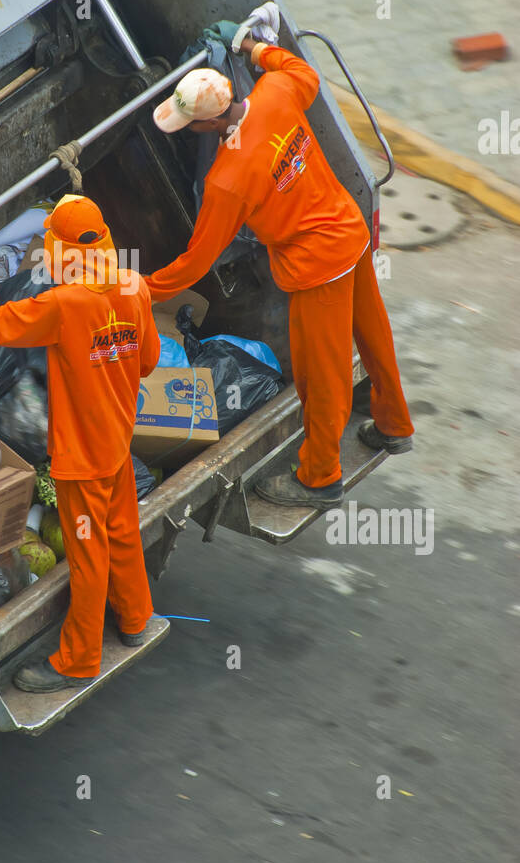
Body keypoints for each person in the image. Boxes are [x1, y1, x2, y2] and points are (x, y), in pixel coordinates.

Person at [145, 27, 414, 507]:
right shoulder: (274, 92)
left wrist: (142, 288)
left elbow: (196, 261)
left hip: (317, 269)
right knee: (373, 337)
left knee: (321, 374)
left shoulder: (227, 178)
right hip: (350, 235)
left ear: (207, 126)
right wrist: (252, 47)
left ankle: (319, 476)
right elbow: (301, 69)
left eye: (188, 124)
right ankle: (394, 424)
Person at [0, 196, 161, 692]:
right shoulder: (132, 284)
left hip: (80, 457)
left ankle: (79, 661)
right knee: (120, 529)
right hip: (117, 440)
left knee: (87, 554)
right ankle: (137, 617)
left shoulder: (64, 303)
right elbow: (145, 363)